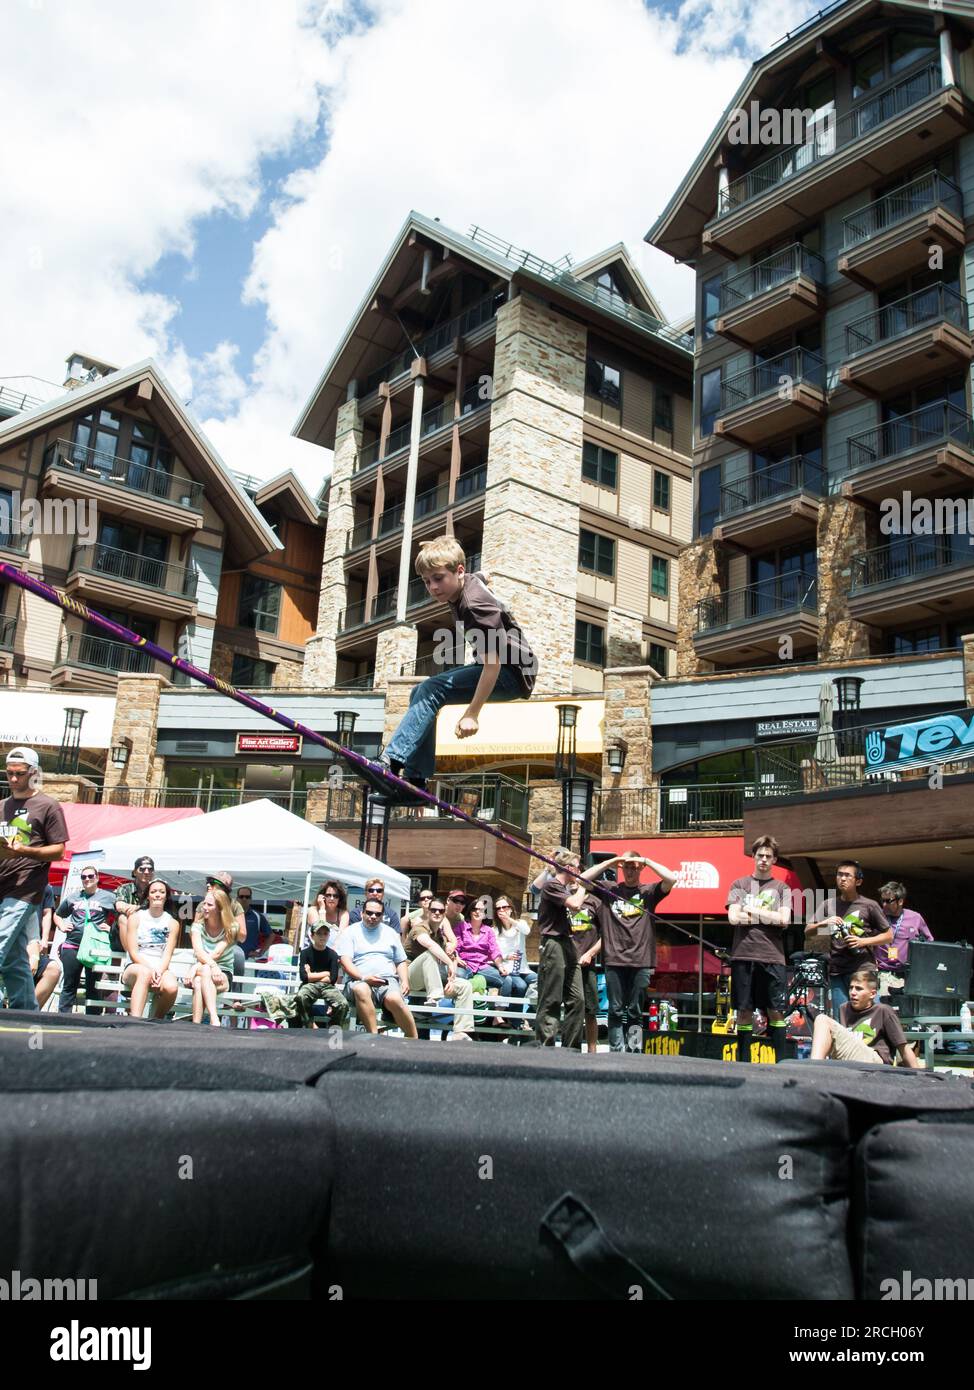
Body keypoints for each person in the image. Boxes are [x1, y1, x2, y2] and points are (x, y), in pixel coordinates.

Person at [379, 537, 537, 789]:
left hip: (510, 674)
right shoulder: (467, 580)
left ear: (459, 571)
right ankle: (416, 777)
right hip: (506, 667)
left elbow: (492, 666)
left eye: (438, 578)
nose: (433, 587)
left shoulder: (475, 608)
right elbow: (480, 576)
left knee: (431, 690)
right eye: (427, 581)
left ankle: (392, 762)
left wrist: (472, 714)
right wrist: (448, 552)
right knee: (420, 691)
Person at [0, 747, 67, 1012]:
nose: (13, 779)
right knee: (14, 959)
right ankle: (26, 1012)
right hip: (2, 885)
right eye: (9, 773)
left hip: (26, 889)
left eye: (19, 774)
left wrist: (24, 850)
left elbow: (59, 850)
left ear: (34, 773)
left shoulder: (48, 805)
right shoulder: (2, 806)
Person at [597, 850, 678, 1054]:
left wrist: (647, 861)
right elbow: (583, 880)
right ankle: (616, 1050)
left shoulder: (649, 892)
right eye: (627, 867)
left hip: (641, 960)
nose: (630, 870)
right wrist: (614, 861)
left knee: (634, 1010)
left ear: (640, 868)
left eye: (634, 867)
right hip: (614, 959)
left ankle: (634, 1051)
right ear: (622, 868)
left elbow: (672, 878)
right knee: (615, 1009)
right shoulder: (609, 889)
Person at [532, 850, 610, 1049]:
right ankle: (546, 1046)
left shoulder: (564, 887)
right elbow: (575, 904)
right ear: (569, 869)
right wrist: (583, 885)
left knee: (577, 999)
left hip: (567, 943)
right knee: (551, 998)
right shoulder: (552, 885)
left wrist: (610, 863)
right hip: (553, 943)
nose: (580, 870)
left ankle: (571, 1048)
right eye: (577, 867)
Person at [726, 835, 792, 1063]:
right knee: (744, 1011)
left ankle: (780, 1063)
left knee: (776, 1011)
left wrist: (752, 911)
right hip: (743, 955)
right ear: (753, 857)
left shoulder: (782, 888)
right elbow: (734, 918)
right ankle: (743, 1063)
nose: (763, 859)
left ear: (774, 860)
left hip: (772, 956)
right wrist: (769, 916)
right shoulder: (739, 884)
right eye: (760, 855)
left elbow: (784, 920)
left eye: (768, 856)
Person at [807, 861, 891, 1016]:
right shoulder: (828, 904)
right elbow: (808, 931)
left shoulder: (869, 905)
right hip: (837, 969)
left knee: (871, 1015)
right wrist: (825, 922)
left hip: (862, 967)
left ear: (858, 881)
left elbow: (888, 936)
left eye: (847, 875)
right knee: (843, 1017)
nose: (842, 879)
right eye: (840, 874)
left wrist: (863, 941)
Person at [810, 968, 922, 1068]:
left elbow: (904, 1049)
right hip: (850, 1061)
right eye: (851, 988)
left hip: (875, 1063)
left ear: (872, 994)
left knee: (822, 1019)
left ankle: (814, 1069)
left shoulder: (884, 1011)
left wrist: (919, 1079)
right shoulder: (844, 1009)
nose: (853, 993)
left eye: (858, 989)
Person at [338, 896, 417, 1038]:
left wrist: (404, 981)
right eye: (369, 913)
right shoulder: (350, 932)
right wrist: (363, 978)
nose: (373, 916)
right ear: (362, 913)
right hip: (358, 980)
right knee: (361, 989)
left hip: (386, 980)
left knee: (395, 999)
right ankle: (374, 1038)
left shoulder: (391, 933)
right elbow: (345, 961)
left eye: (377, 914)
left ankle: (414, 1040)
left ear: (382, 916)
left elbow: (400, 961)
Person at [402, 897, 474, 1040]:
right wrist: (448, 963)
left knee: (465, 985)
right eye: (433, 910)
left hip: (431, 980)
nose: (436, 913)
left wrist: (451, 979)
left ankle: (460, 1032)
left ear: (444, 914)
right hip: (411, 979)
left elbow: (452, 956)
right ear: (428, 912)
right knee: (430, 954)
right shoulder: (420, 928)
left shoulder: (440, 936)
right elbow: (429, 945)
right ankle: (434, 995)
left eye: (440, 911)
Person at [261, 921, 350, 1029]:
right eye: (319, 933)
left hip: (328, 987)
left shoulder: (332, 954)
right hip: (309, 986)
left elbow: (332, 979)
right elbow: (304, 977)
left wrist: (311, 975)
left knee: (343, 1003)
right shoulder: (305, 953)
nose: (322, 936)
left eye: (325, 933)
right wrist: (325, 973)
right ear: (312, 935)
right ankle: (309, 1023)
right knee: (301, 997)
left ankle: (333, 1026)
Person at [55, 864, 118, 1015]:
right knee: (69, 985)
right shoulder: (73, 897)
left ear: (97, 878)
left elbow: (121, 917)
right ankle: (63, 1018)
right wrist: (62, 925)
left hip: (94, 948)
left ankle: (92, 1021)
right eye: (84, 877)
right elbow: (57, 914)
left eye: (90, 876)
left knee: (93, 987)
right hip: (72, 946)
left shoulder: (108, 897)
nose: (87, 879)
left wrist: (111, 928)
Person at [185, 885, 245, 1026]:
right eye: (204, 903)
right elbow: (199, 952)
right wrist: (209, 966)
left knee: (200, 981)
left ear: (219, 908)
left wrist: (196, 967)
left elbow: (217, 953)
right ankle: (214, 1019)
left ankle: (197, 1024)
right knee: (204, 973)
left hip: (222, 972)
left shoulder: (232, 928)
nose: (204, 907)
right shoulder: (197, 926)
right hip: (206, 969)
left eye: (209, 904)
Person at [121, 878, 180, 1019]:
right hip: (136, 966)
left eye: (161, 892)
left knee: (171, 987)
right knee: (144, 974)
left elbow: (167, 954)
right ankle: (136, 1020)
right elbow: (133, 952)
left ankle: (156, 1019)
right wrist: (151, 970)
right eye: (153, 892)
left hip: (160, 968)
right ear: (148, 896)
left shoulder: (173, 923)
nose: (157, 895)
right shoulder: (136, 918)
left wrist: (158, 972)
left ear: (166, 896)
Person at [874, 881, 934, 997]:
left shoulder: (915, 918)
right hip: (882, 973)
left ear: (900, 901)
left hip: (905, 975)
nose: (884, 905)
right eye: (882, 901)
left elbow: (929, 943)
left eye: (888, 901)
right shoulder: (877, 916)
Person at [455, 903, 509, 1027]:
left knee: (507, 980)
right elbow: (455, 946)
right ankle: (463, 1016)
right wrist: (457, 958)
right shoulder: (461, 927)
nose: (478, 912)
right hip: (465, 964)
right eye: (475, 909)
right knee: (460, 976)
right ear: (470, 911)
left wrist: (500, 966)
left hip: (482, 966)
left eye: (481, 910)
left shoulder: (488, 931)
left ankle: (497, 1016)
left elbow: (494, 950)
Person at [493, 896, 535, 1024]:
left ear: (510, 909)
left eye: (505, 907)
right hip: (508, 969)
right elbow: (495, 952)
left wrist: (508, 919)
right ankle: (515, 1021)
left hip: (523, 968)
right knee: (521, 986)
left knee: (540, 980)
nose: (501, 910)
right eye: (498, 908)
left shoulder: (519, 924)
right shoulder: (494, 930)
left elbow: (527, 930)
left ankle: (529, 1014)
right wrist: (506, 956)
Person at [114, 855, 156, 952]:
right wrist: (139, 909)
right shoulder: (125, 888)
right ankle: (130, 954)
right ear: (134, 872)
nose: (146, 872)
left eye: (150, 869)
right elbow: (119, 906)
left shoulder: (155, 890)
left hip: (145, 932)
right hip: (120, 938)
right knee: (122, 918)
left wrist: (137, 908)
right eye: (142, 869)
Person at [31, 883, 61, 1008]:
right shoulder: (8, 879)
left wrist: (44, 939)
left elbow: (47, 913)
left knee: (53, 969)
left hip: (32, 944)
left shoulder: (46, 887)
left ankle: (28, 1013)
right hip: (6, 945)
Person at [237, 887, 270, 959]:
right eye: (241, 896)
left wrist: (261, 952)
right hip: (229, 959)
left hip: (249, 960)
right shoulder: (228, 914)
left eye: (247, 897)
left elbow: (271, 935)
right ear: (237, 898)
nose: (244, 899)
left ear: (251, 899)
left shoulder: (257, 916)